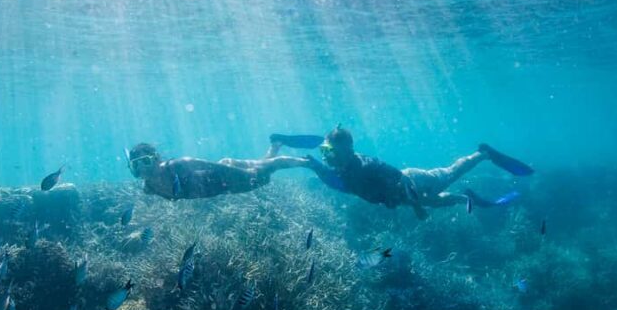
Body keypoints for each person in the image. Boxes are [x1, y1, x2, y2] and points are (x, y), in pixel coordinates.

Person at [287, 127, 533, 219]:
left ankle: (483, 154)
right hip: (402, 196)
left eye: (331, 153)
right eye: (325, 152)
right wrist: (314, 166)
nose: (328, 158)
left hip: (413, 182)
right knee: (435, 204)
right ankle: (464, 199)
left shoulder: (366, 166)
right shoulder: (341, 167)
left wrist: (417, 209)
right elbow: (337, 183)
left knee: (449, 175)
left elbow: (402, 180)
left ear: (347, 150)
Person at [125, 142, 311, 200]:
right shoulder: (149, 187)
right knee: (262, 169)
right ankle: (274, 147)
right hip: (222, 185)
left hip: (227, 176)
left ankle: (306, 162)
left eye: (145, 161)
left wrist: (246, 176)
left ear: (157, 158)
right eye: (136, 165)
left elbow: (214, 166)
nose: (141, 169)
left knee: (267, 170)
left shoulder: (177, 165)